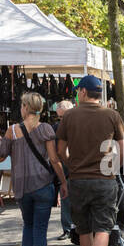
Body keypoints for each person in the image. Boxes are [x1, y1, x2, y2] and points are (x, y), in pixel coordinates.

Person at [54, 74, 124, 246]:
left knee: (83, 227)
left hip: (78, 180)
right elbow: (123, 149)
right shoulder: (112, 115)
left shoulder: (69, 116)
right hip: (104, 180)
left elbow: (60, 151)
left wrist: (72, 164)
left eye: (78, 91)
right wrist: (114, 167)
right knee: (104, 226)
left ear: (83, 92)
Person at [0, 92, 66, 246]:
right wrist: (64, 183)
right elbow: (54, 160)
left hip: (22, 187)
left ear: (25, 108)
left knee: (28, 224)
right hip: (43, 185)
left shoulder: (13, 131)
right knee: (40, 230)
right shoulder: (46, 130)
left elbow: (0, 156)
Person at [54, 101, 75, 239]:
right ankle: (67, 229)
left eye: (64, 116)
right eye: (60, 117)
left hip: (79, 167)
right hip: (65, 168)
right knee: (66, 199)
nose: (62, 120)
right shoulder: (55, 128)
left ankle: (77, 227)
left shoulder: (80, 125)